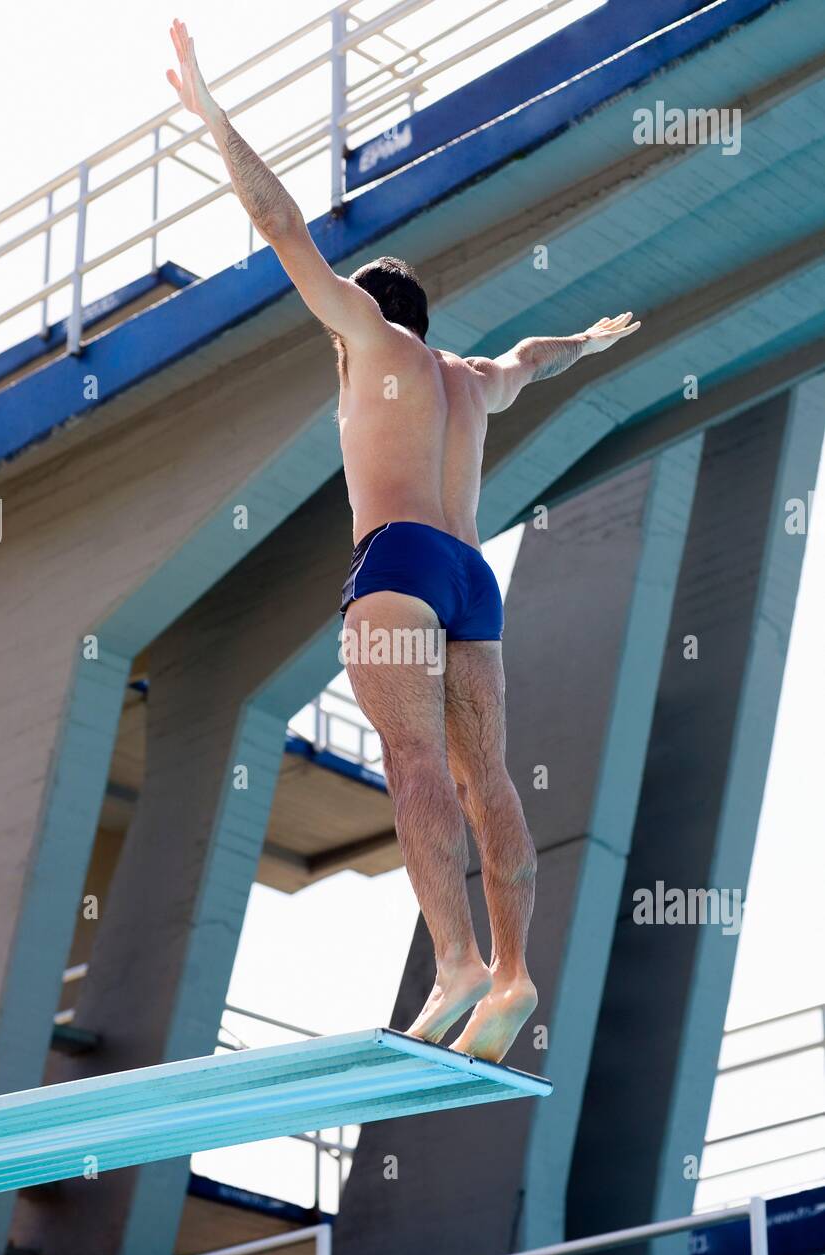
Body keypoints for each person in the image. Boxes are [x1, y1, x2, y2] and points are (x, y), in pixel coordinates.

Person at [167, 19, 640, 1061]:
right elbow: (531, 356)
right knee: (488, 776)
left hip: (396, 565)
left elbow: (281, 224)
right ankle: (514, 975)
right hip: (472, 576)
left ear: (367, 319)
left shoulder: (365, 340)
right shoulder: (469, 380)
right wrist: (585, 344)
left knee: (413, 758)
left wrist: (215, 122)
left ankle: (458, 961)